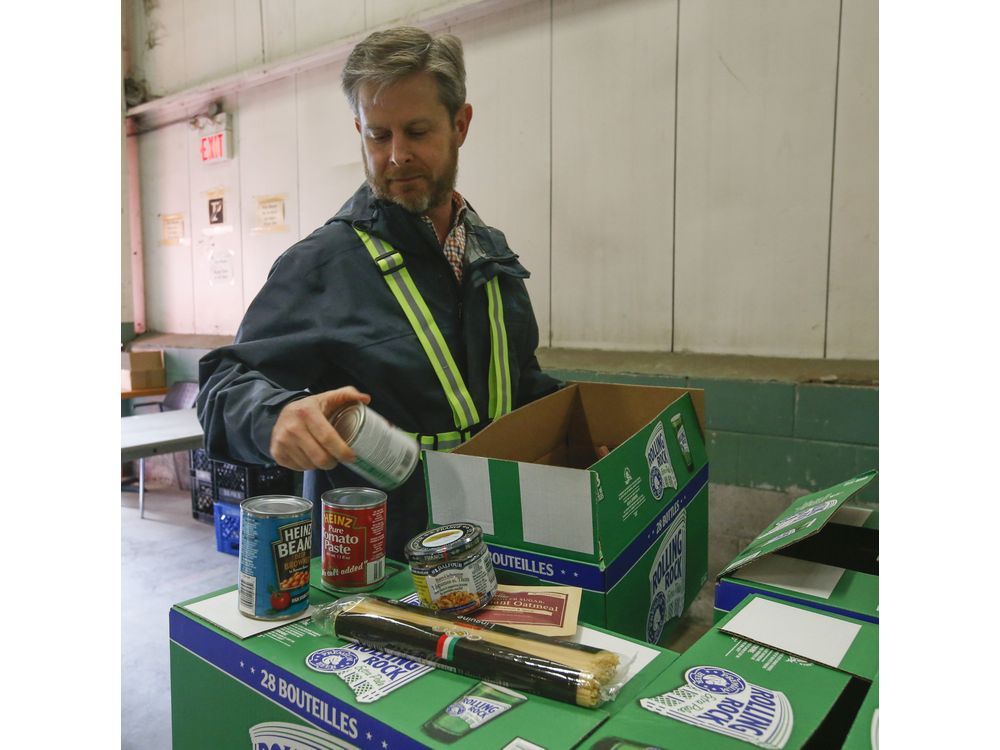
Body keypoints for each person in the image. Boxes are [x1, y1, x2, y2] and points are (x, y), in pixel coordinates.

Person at [197, 26, 561, 560]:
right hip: (383, 568)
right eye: (377, 135)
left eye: (417, 132)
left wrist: (577, 421)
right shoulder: (321, 267)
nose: (396, 156)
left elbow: (513, 382)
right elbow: (222, 387)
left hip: (498, 547)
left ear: (460, 124)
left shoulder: (491, 256)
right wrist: (274, 416)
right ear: (358, 130)